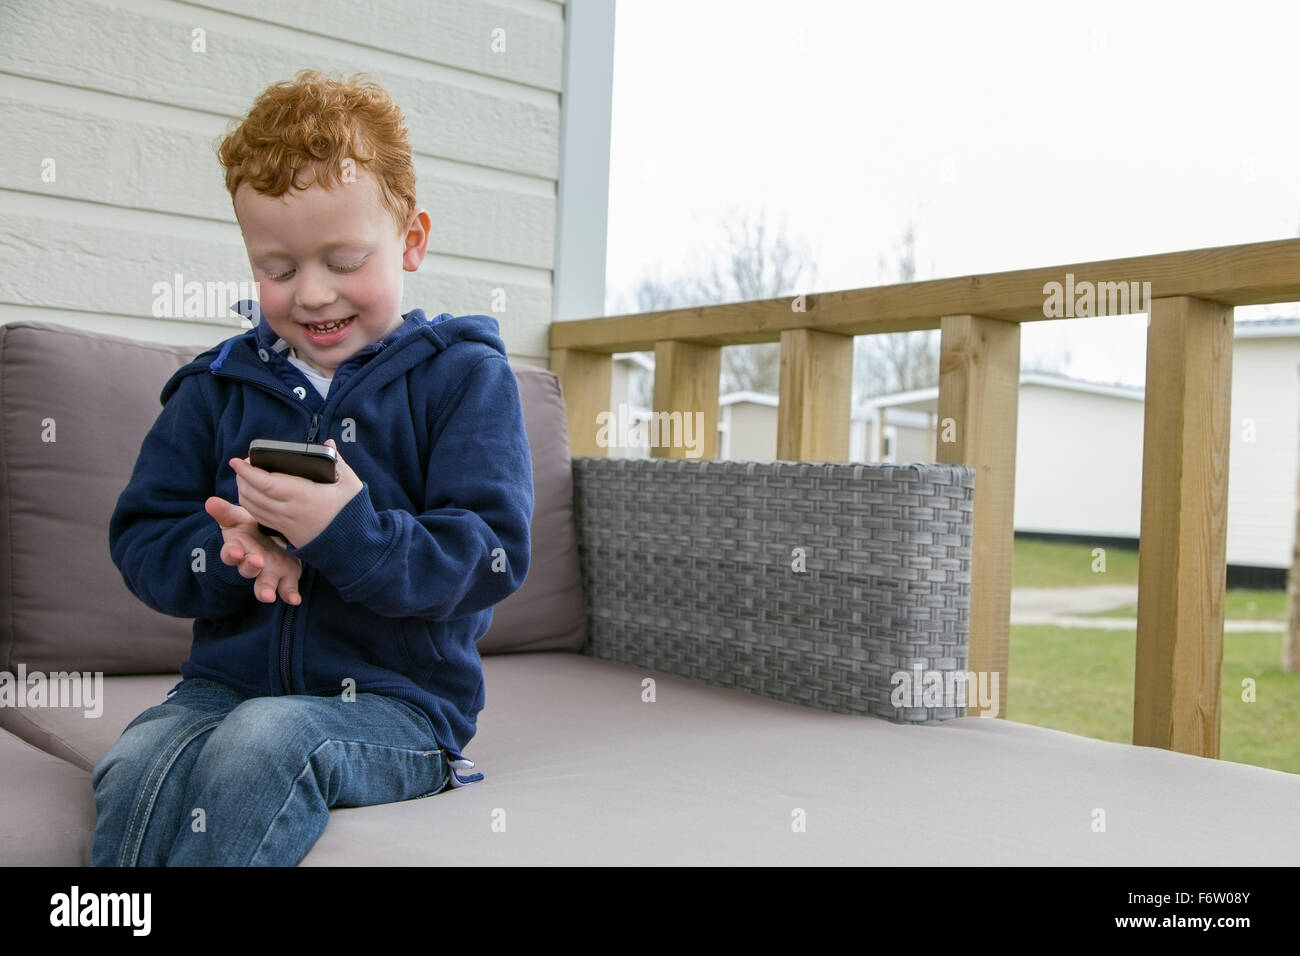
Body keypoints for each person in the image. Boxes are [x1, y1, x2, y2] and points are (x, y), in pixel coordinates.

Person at [90, 69, 534, 866]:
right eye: (279, 268)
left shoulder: (463, 378)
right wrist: (230, 554)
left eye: (343, 258)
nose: (313, 294)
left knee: (266, 739)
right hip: (223, 686)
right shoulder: (217, 386)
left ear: (411, 240)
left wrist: (349, 535)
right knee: (132, 765)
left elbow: (491, 555)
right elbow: (143, 539)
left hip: (399, 708)